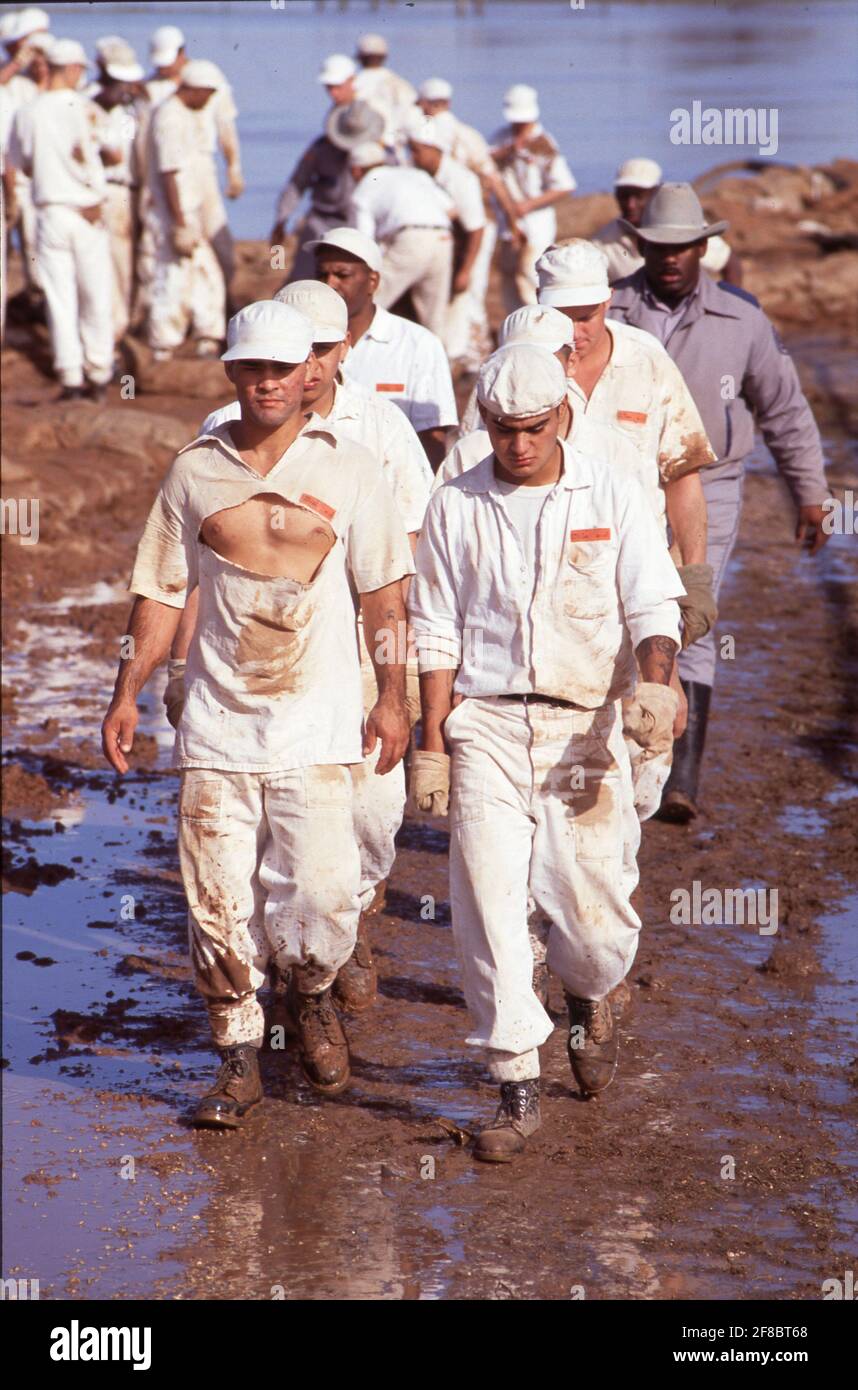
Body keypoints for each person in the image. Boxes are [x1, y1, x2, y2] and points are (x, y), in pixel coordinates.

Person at [102, 300, 414, 1128]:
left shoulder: (352, 467)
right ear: (234, 374)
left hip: (318, 723)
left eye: (282, 368)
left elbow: (385, 597)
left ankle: (310, 994)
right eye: (253, 369)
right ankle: (238, 1056)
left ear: (306, 375)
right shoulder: (194, 470)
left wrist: (393, 697)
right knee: (214, 903)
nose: (268, 382)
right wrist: (128, 691)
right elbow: (163, 589)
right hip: (216, 724)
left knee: (318, 897)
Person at [408, 344, 685, 1162]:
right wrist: (431, 741)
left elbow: (652, 597)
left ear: (561, 414)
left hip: (582, 728)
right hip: (487, 726)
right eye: (502, 429)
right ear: (485, 422)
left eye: (532, 427)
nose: (518, 444)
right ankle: (513, 1087)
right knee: (490, 905)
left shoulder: (612, 490)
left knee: (594, 918)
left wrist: (657, 686)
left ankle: (589, 993)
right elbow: (433, 628)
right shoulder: (455, 504)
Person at [167, 280, 432, 1012]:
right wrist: (172, 667)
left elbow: (396, 570)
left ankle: (333, 945)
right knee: (231, 871)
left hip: (343, 661)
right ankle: (252, 1030)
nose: (301, 371)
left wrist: (398, 690)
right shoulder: (208, 447)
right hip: (234, 684)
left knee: (361, 830)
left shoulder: (372, 439)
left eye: (317, 352)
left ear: (340, 352)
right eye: (284, 357)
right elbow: (187, 572)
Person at [608, 182, 831, 821]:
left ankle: (681, 779)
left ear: (705, 246)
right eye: (658, 247)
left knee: (692, 610)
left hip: (714, 484)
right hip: (624, 485)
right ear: (640, 246)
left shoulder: (743, 319)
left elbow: (784, 409)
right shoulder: (612, 311)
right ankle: (623, 759)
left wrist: (811, 492)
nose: (672, 258)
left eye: (684, 247)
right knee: (619, 612)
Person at [7, 37, 113, 401]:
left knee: (60, 296)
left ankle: (71, 377)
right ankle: (99, 372)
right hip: (89, 211)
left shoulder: (27, 111)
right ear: (70, 68)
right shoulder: (85, 108)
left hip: (50, 210)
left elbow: (20, 162)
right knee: (95, 294)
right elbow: (111, 151)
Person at [307, 225, 458, 470]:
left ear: (373, 281)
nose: (330, 284)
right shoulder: (299, 341)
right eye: (322, 275)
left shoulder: (419, 344)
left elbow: (432, 438)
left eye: (342, 275)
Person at [416, 76, 524, 367]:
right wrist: (512, 221)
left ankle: (473, 356)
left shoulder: (424, 135)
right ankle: (470, 354)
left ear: (423, 102)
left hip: (450, 225)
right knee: (471, 288)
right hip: (474, 222)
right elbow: (494, 181)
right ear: (448, 102)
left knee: (459, 288)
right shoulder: (468, 134)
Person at [141, 25, 242, 296]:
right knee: (167, 251)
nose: (164, 69)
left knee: (221, 246)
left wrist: (234, 169)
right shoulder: (150, 88)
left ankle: (227, 303)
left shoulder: (208, 78)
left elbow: (225, 126)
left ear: (182, 54)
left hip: (203, 169)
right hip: (170, 172)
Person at [271, 56, 383, 285]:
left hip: (361, 222)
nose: (333, 93)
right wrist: (282, 219)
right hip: (321, 221)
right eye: (329, 88)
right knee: (300, 282)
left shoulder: (379, 143)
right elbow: (297, 182)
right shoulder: (321, 148)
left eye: (337, 87)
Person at [143, 60, 227, 361]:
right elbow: (168, 172)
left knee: (201, 274)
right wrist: (179, 223)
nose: (207, 101)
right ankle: (165, 344)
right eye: (206, 94)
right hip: (172, 214)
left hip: (184, 212)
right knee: (174, 277)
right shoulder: (170, 117)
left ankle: (203, 338)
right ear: (193, 89)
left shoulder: (180, 113)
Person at [348, 139, 455, 343]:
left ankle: (351, 357)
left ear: (355, 170)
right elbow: (451, 209)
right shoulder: (414, 174)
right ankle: (441, 370)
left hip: (410, 239)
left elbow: (363, 244)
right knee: (435, 320)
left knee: (368, 302)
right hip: (443, 237)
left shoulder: (363, 190)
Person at [404, 110, 485, 365]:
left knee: (467, 301)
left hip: (469, 243)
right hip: (444, 246)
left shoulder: (461, 179)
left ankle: (471, 361)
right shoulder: (418, 174)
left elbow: (475, 228)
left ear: (432, 148)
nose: (412, 156)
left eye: (416, 150)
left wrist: (466, 269)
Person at [490, 83, 575, 313]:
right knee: (508, 274)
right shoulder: (500, 138)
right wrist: (509, 151)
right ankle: (516, 322)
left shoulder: (544, 143)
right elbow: (486, 164)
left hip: (536, 223)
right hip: (508, 223)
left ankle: (540, 322)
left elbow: (565, 185)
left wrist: (528, 205)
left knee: (530, 275)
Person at [592, 157, 741, 286]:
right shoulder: (602, 242)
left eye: (639, 196)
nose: (630, 204)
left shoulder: (686, 229)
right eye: (624, 196)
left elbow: (730, 264)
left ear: (655, 193)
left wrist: (729, 308)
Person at [91, 42, 145, 346]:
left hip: (131, 192)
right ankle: (112, 335)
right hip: (108, 192)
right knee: (113, 267)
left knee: (127, 265)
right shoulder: (90, 104)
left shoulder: (129, 107)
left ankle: (120, 328)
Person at [0, 9, 51, 302]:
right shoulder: (14, 83)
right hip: (14, 177)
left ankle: (37, 300)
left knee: (36, 246)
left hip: (37, 179)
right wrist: (19, 61)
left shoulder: (41, 87)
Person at [353, 33, 415, 146]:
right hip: (396, 148)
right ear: (385, 56)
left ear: (360, 57)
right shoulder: (403, 85)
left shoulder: (352, 86)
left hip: (363, 149)